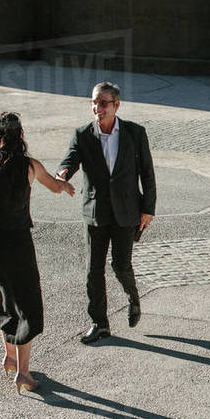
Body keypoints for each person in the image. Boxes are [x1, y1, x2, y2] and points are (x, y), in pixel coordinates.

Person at [0, 112, 74, 393]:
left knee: (0, 295)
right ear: (20, 136)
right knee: (26, 304)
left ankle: (9, 355)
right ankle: (23, 372)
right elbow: (55, 187)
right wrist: (64, 183)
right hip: (18, 244)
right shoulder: (29, 166)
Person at [56, 81, 157, 344]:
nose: (96, 108)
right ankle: (99, 323)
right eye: (94, 102)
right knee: (93, 270)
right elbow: (71, 158)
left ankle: (133, 298)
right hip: (96, 212)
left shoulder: (135, 133)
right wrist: (63, 172)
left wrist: (148, 209)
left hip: (126, 211)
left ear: (116, 105)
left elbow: (147, 173)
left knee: (121, 265)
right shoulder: (83, 134)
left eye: (103, 103)